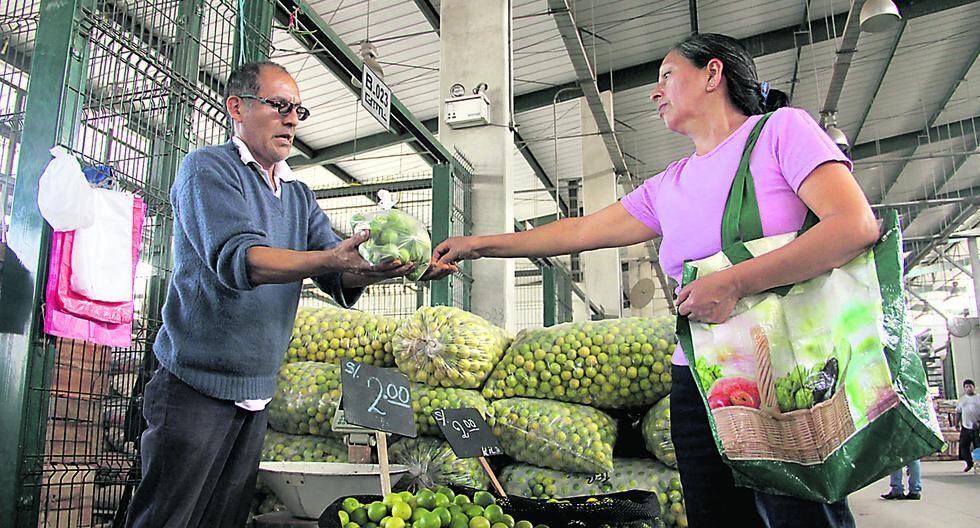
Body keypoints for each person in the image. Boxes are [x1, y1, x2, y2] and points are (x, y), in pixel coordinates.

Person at [427, 33, 878, 528]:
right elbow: (578, 231)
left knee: (801, 514)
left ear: (712, 74)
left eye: (667, 75)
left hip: (784, 364)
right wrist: (478, 244)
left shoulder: (780, 132)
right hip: (696, 375)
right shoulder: (670, 184)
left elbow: (854, 226)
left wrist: (734, 282)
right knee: (715, 515)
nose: (654, 91)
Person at [124, 61, 417, 528]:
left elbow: (337, 273)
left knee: (224, 518)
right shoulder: (208, 169)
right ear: (237, 107)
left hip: (257, 391)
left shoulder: (298, 195)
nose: (292, 120)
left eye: (298, 110)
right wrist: (332, 259)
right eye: (279, 106)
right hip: (195, 386)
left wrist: (382, 269)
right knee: (169, 517)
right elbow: (244, 259)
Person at [957, 379, 980, 472]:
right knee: (963, 447)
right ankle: (969, 463)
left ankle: (978, 465)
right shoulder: (962, 400)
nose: (968, 388)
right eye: (966, 387)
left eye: (970, 386)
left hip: (977, 427)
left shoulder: (978, 398)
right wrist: (956, 423)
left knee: (977, 448)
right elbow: (958, 412)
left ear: (974, 387)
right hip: (966, 427)